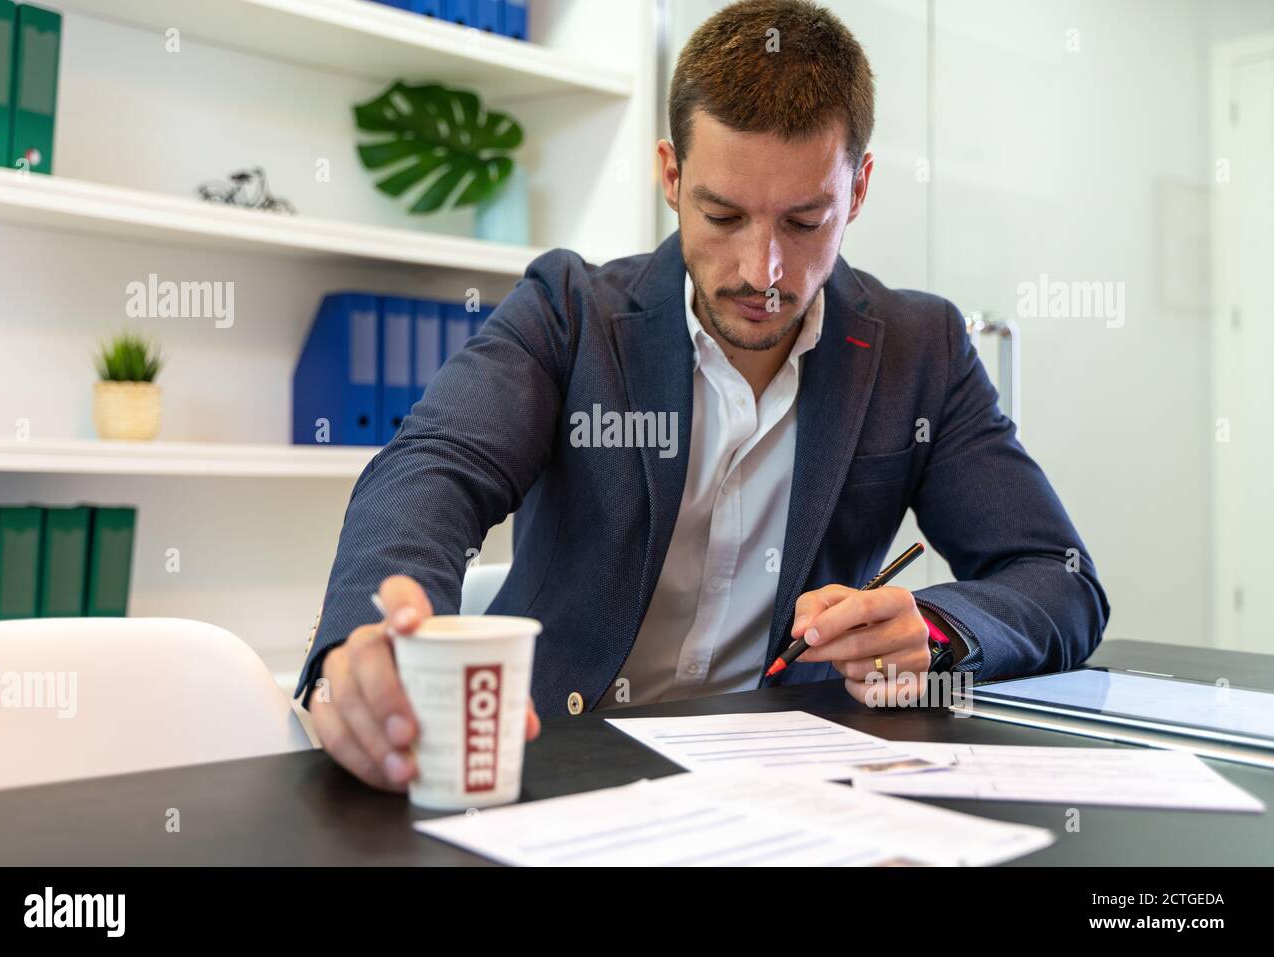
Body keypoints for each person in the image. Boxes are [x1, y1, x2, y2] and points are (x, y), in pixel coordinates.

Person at [297, 0, 1110, 792]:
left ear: (857, 190)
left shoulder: (918, 350)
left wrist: (932, 629)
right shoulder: (572, 313)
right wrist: (361, 644)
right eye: (722, 215)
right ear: (670, 176)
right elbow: (432, 468)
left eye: (804, 221)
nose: (763, 272)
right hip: (561, 771)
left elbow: (1058, 576)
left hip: (791, 790)